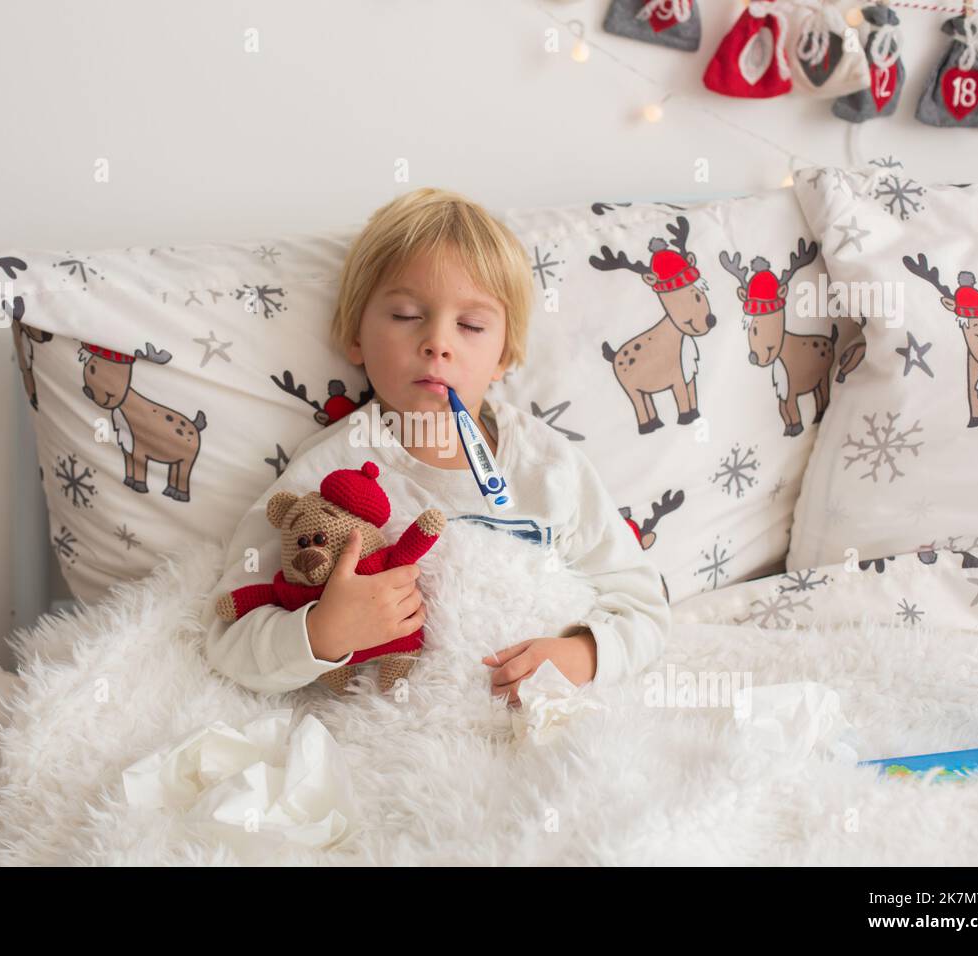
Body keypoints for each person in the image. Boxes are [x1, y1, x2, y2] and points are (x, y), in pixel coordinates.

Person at [203, 187, 670, 702]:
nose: (438, 343)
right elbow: (229, 636)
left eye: (470, 325)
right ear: (354, 335)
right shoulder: (328, 473)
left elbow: (643, 608)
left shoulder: (548, 467)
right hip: (393, 734)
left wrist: (583, 655)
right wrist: (323, 632)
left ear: (503, 358)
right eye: (406, 315)